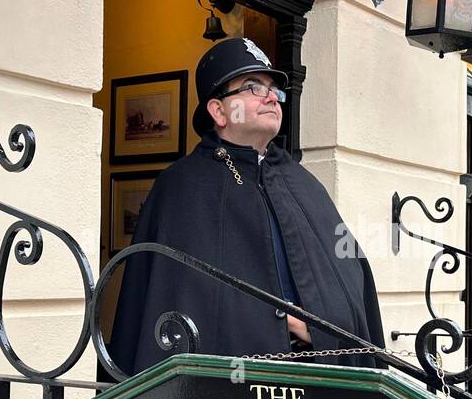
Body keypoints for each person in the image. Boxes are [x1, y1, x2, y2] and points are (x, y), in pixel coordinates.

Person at [109, 37, 384, 376]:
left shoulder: (305, 185)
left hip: (317, 381)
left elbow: (353, 286)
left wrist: (318, 329)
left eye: (274, 90)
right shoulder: (180, 189)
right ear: (218, 110)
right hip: (226, 398)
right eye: (253, 87)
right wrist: (274, 322)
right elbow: (167, 305)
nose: (272, 97)